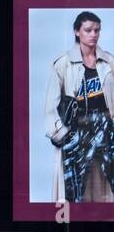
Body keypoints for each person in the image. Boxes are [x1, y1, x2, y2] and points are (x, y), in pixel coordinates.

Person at [43, 11, 114, 204]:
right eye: (88, 30)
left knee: (104, 188)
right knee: (74, 190)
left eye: (97, 30)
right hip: (77, 130)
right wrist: (62, 135)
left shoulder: (109, 62)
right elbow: (51, 106)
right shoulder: (63, 64)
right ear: (77, 32)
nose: (94, 34)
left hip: (104, 129)